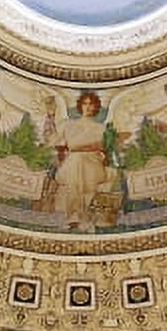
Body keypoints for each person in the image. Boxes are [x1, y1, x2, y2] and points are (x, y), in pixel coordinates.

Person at [44, 91, 117, 231]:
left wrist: (78, 146)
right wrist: (50, 116)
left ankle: (75, 217)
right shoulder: (68, 124)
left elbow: (102, 147)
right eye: (85, 103)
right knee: (76, 164)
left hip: (94, 164)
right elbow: (51, 140)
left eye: (91, 104)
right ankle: (80, 217)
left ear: (96, 107)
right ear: (80, 106)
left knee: (78, 163)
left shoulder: (102, 128)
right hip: (72, 164)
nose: (88, 107)